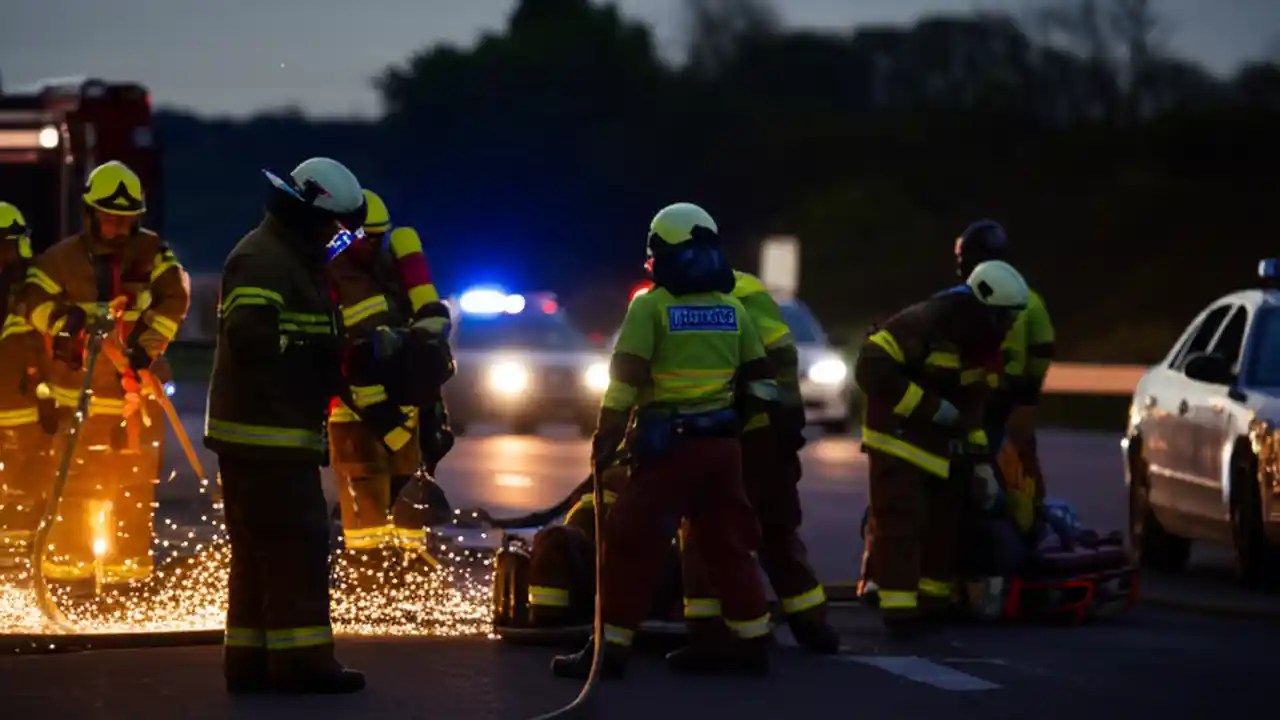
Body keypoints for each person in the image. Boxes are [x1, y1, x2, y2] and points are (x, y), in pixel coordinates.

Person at [552, 203, 775, 679]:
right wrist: (738, 431)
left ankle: (608, 652)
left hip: (668, 450)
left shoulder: (650, 307)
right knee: (726, 543)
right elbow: (761, 384)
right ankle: (752, 642)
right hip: (722, 450)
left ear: (665, 254)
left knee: (630, 541)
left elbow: (624, 381)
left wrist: (606, 437)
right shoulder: (733, 310)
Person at [205, 157, 366, 694]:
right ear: (305, 216)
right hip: (266, 436)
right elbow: (252, 341)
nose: (335, 239)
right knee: (297, 544)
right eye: (332, 228)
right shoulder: (264, 261)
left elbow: (306, 345)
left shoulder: (290, 260)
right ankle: (303, 663)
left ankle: (250, 662)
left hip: (272, 434)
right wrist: (316, 352)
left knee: (258, 552)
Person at [23, 161, 189, 588]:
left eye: (125, 219)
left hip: (136, 402)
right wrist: (63, 321)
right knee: (72, 494)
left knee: (132, 494)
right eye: (108, 217)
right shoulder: (60, 260)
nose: (116, 226)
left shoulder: (154, 253)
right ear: (90, 213)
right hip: (75, 399)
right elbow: (31, 299)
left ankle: (127, 585)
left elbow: (175, 299)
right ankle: (69, 583)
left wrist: (145, 350)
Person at [854, 260, 1028, 637]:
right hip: (898, 438)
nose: (1011, 326)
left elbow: (975, 401)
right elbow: (870, 368)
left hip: (941, 447)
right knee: (903, 522)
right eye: (1006, 317)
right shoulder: (925, 323)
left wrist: (980, 461)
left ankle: (932, 603)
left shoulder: (982, 343)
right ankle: (899, 613)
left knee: (945, 524)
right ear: (986, 307)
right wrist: (930, 408)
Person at [680, 269, 839, 654]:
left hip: (723, 437)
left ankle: (710, 634)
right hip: (764, 435)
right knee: (776, 529)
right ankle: (810, 622)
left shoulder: (676, 300)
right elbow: (782, 358)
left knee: (707, 531)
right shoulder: (748, 290)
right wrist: (788, 421)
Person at [325, 188, 454, 576]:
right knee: (364, 493)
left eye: (378, 238)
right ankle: (367, 572)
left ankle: (411, 568)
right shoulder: (326, 271)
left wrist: (420, 356)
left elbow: (431, 319)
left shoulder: (394, 266)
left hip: (402, 405)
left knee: (407, 492)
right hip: (352, 412)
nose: (371, 247)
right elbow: (340, 359)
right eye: (365, 239)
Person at [0, 202, 51, 567]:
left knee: (28, 487)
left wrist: (47, 397)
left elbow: (42, 351)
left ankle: (20, 562)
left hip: (24, 410)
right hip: (16, 407)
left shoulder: (31, 288)